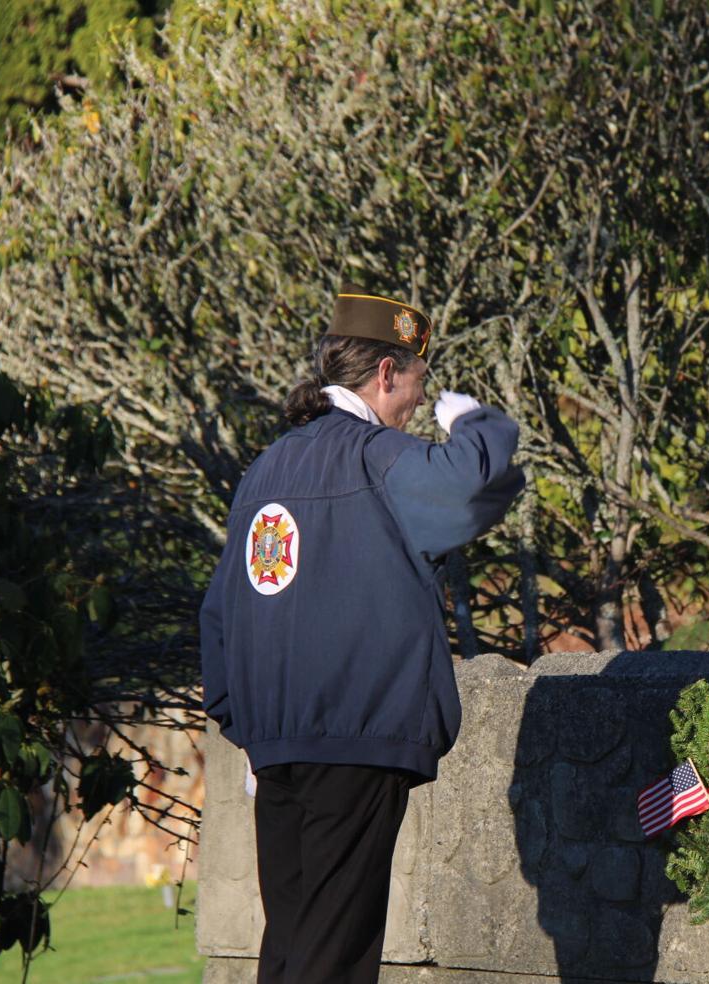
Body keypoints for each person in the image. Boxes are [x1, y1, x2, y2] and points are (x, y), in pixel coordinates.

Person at [199, 284, 524, 983]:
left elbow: (221, 616)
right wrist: (476, 424)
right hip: (356, 743)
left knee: (289, 946)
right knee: (335, 956)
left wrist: (249, 724)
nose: (415, 402)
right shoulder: (376, 459)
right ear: (385, 374)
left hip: (276, 750)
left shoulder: (263, 473)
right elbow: (470, 488)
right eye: (416, 382)